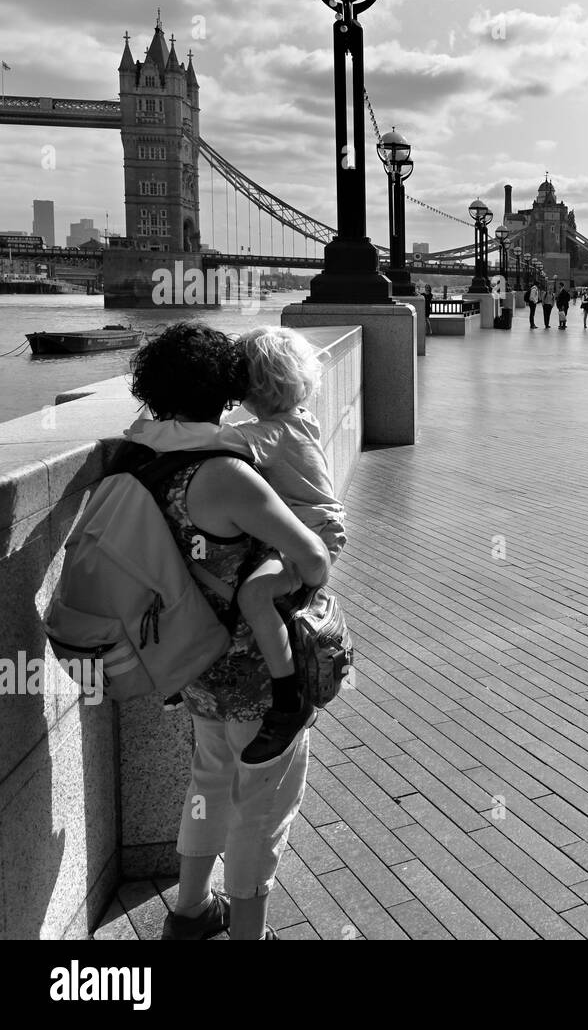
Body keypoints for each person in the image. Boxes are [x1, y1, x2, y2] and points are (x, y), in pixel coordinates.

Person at [120, 322, 331, 941]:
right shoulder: (226, 472)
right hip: (259, 678)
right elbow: (314, 560)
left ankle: (190, 912)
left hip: (194, 663)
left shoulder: (142, 461)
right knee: (260, 810)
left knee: (208, 784)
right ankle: (247, 934)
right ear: (225, 388)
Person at [210, 326, 346, 766]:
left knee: (253, 593)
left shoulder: (274, 432)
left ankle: (288, 698)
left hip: (313, 536)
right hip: (310, 530)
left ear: (253, 386)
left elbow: (223, 442)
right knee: (260, 598)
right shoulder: (294, 418)